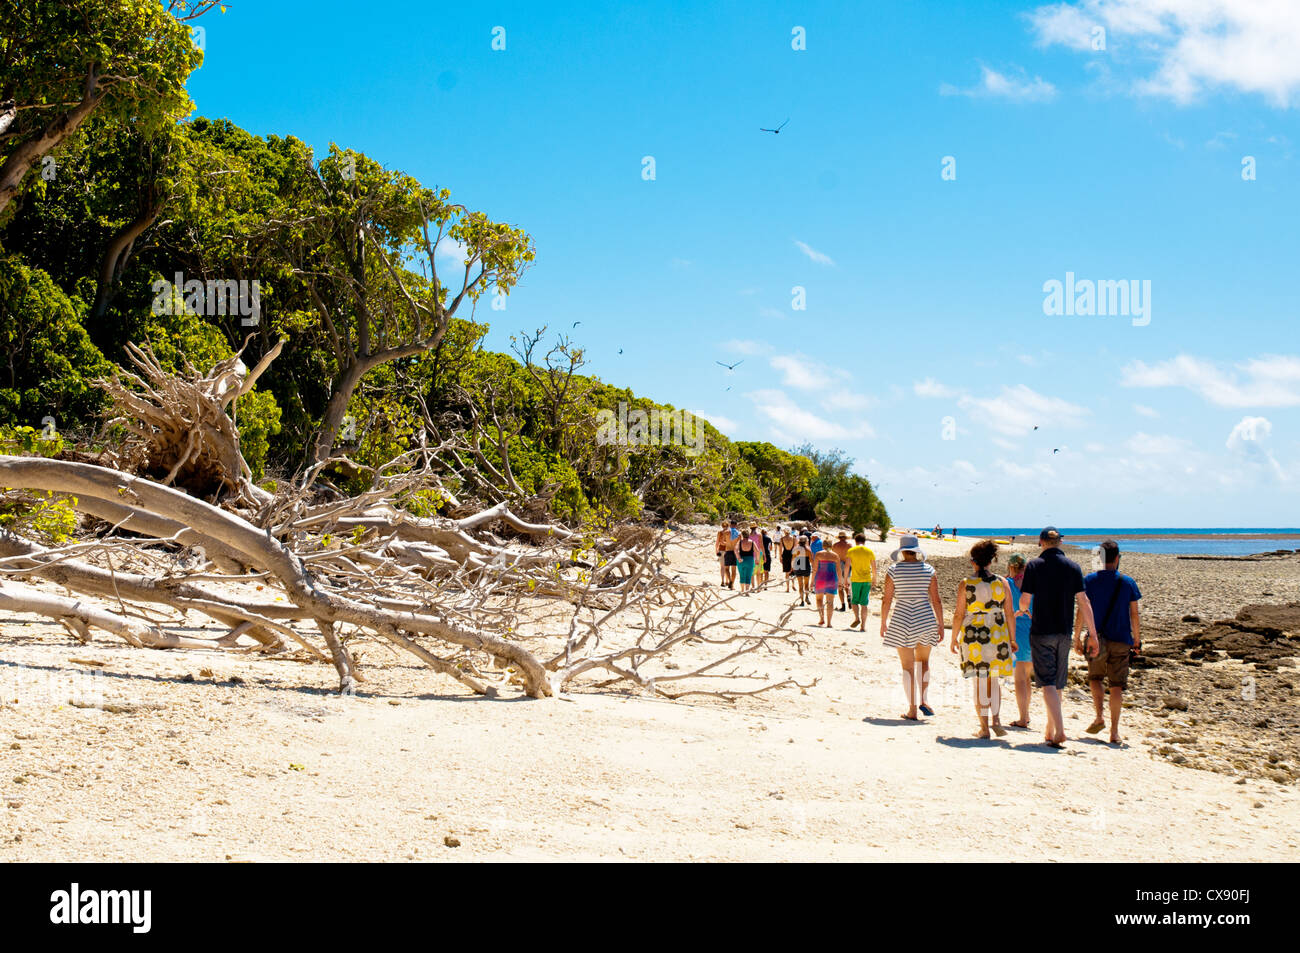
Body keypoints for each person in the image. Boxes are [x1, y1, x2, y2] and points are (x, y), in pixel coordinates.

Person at [1018, 526, 1097, 749]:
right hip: (1064, 631)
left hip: (1042, 629)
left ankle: (1060, 730)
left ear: (1040, 542)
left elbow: (1025, 599)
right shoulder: (1073, 566)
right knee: (1058, 683)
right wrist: (1093, 633)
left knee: (1048, 683)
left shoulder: (1034, 565)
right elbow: (1084, 602)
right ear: (1060, 542)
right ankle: (1050, 730)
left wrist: (1023, 610)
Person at [950, 540, 1017, 739]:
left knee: (979, 682)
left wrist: (954, 638)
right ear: (991, 561)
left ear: (973, 562)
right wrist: (1012, 638)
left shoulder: (966, 583)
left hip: (974, 635)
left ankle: (984, 727)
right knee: (994, 680)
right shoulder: (1002, 582)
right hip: (997, 633)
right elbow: (1010, 613)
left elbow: (958, 614)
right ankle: (996, 719)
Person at [1077, 540, 1141, 745]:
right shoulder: (1127, 582)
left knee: (1095, 678)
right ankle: (1114, 731)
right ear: (1118, 558)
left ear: (1100, 558)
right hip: (1122, 639)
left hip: (1097, 639)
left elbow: (1081, 610)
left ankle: (1099, 715)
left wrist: (1077, 636)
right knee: (1116, 686)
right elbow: (1134, 614)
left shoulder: (1090, 580)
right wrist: (1137, 641)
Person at [879, 534, 945, 720]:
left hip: (902, 620)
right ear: (917, 551)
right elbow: (936, 600)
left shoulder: (893, 570)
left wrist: (883, 622)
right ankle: (924, 700)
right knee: (923, 663)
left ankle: (912, 709)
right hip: (925, 619)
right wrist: (940, 624)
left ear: (902, 551)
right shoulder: (929, 570)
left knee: (907, 667)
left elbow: (887, 600)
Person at [1004, 553, 1034, 729]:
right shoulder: (1035, 584)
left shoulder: (1007, 583)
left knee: (1019, 678)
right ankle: (1026, 714)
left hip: (1016, 631)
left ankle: (1023, 717)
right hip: (1034, 630)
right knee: (1026, 677)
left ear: (1011, 567)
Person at [845, 533, 876, 630]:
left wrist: (846, 579)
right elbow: (874, 567)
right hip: (867, 580)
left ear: (855, 541)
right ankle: (863, 626)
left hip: (856, 580)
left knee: (854, 601)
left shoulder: (851, 551)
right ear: (864, 541)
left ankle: (857, 618)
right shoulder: (869, 551)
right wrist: (874, 579)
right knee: (864, 604)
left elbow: (847, 566)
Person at [811, 542, 841, 626]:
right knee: (830, 602)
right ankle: (829, 623)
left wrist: (812, 581)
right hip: (831, 579)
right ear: (831, 546)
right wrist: (840, 581)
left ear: (823, 546)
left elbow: (814, 569)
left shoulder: (818, 554)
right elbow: (838, 570)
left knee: (819, 600)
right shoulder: (835, 555)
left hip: (820, 578)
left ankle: (821, 618)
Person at [831, 532, 852, 612]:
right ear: (846, 537)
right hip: (847, 566)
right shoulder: (849, 545)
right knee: (847, 584)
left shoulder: (835, 545)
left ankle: (843, 606)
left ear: (839, 537)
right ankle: (849, 596)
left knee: (840, 587)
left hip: (838, 566)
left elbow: (833, 556)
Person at [734, 528, 758, 595]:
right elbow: (757, 551)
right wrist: (757, 559)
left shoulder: (740, 542)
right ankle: (747, 591)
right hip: (750, 560)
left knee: (742, 574)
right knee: (749, 575)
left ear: (742, 535)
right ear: (748, 535)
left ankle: (742, 590)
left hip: (741, 560)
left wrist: (738, 557)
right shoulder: (752, 542)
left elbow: (735, 550)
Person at [791, 535, 812, 605]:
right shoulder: (808, 549)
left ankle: (802, 601)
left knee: (800, 585)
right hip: (806, 565)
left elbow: (793, 559)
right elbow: (811, 560)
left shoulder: (796, 549)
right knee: (806, 584)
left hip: (798, 565)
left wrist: (792, 568)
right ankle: (807, 597)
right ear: (806, 541)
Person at [714, 522, 732, 587]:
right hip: (728, 550)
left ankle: (722, 581)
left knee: (722, 567)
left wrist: (716, 551)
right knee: (727, 567)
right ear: (728, 526)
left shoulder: (720, 533)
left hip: (721, 550)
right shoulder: (729, 532)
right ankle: (727, 581)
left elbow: (717, 543)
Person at [779, 527, 796, 592]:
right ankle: (793, 584)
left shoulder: (782, 539)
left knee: (786, 572)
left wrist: (780, 557)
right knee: (792, 571)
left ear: (784, 532)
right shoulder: (793, 538)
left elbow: (780, 549)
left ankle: (788, 588)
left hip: (785, 554)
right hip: (792, 554)